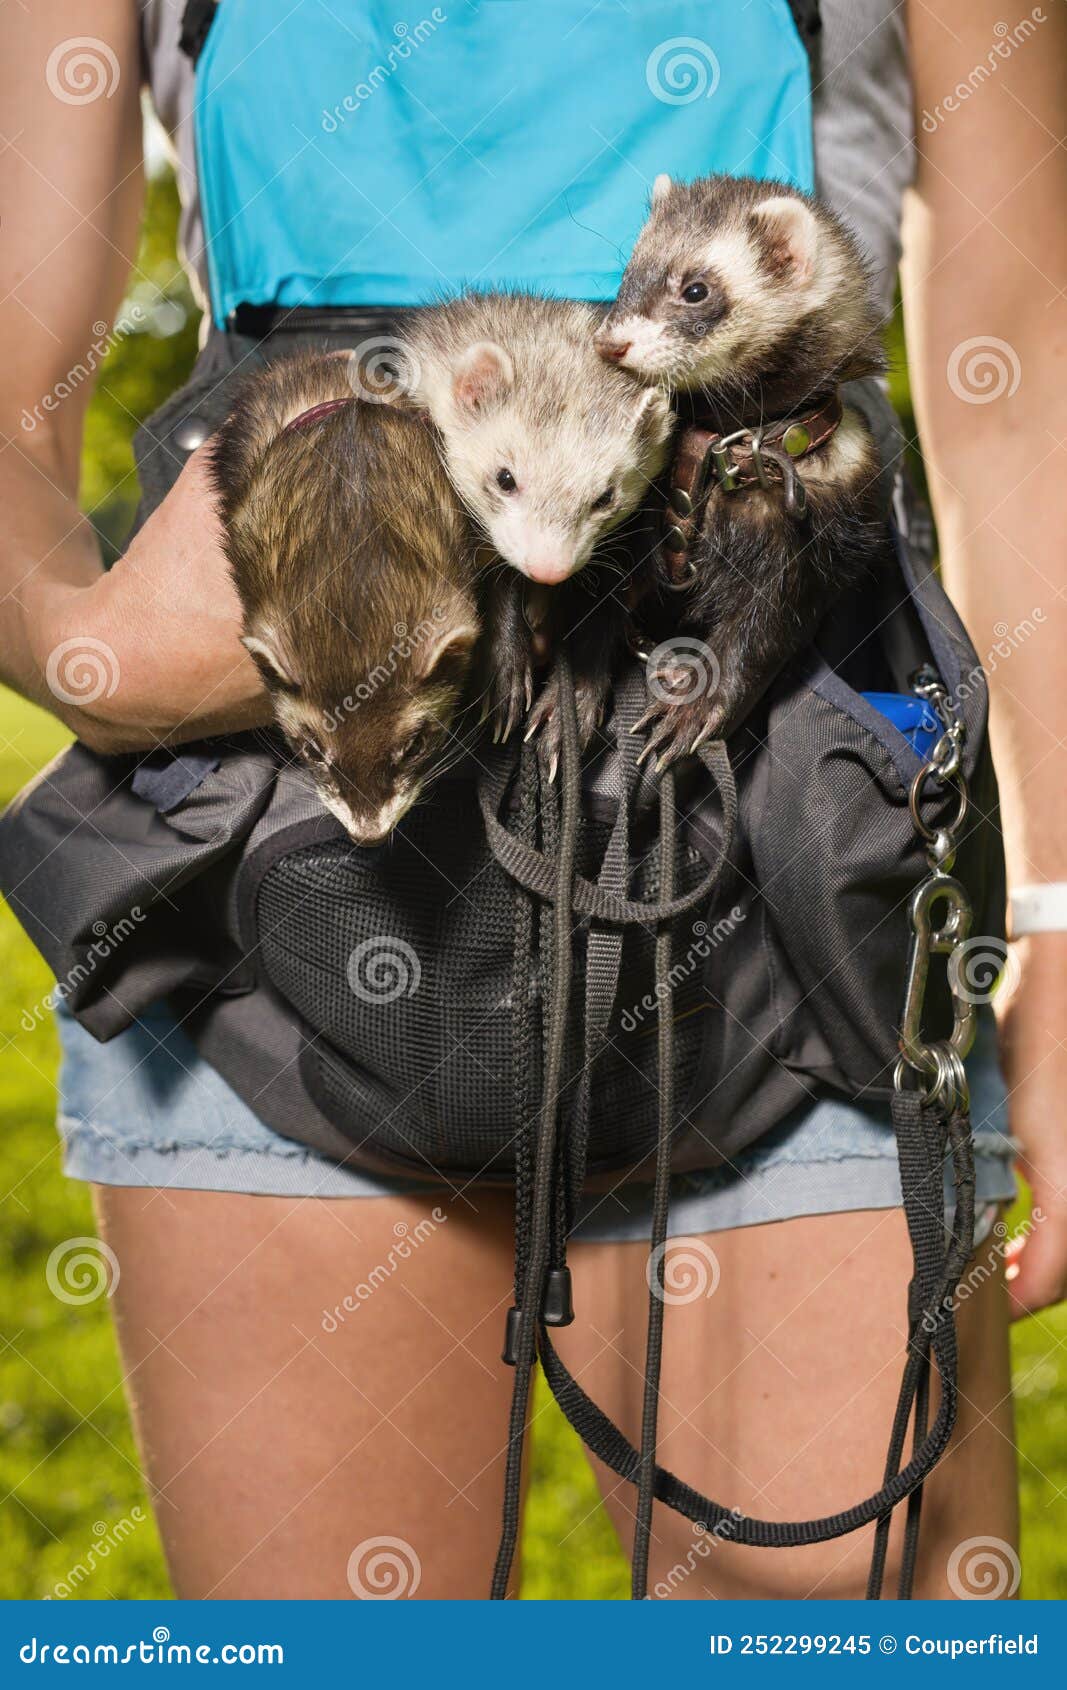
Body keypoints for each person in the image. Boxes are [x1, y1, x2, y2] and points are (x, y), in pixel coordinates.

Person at [1, 0, 1062, 1600]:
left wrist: (1057, 917)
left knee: (849, 1626)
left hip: (795, 837)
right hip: (278, 811)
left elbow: (1024, 362)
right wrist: (83, 648)